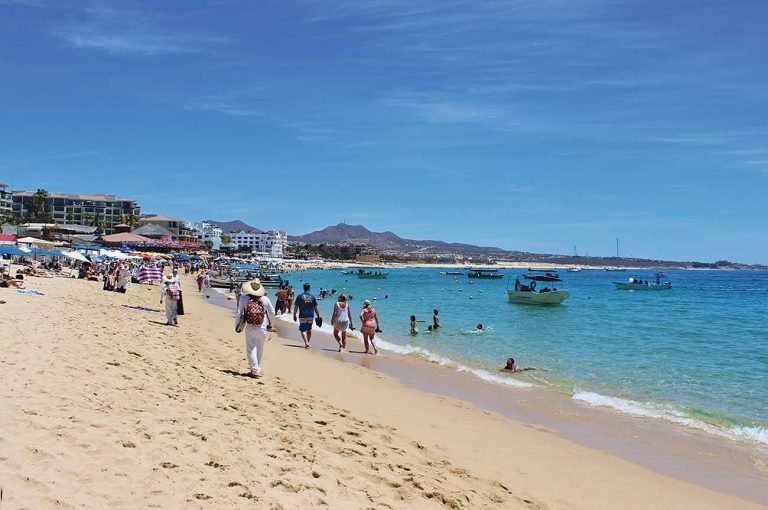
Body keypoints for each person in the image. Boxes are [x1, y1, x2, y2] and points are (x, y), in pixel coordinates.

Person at [236, 278, 277, 378]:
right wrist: (270, 325)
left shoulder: (244, 299)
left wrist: (237, 326)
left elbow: (239, 313)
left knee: (251, 348)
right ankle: (257, 368)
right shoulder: (265, 299)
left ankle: (254, 371)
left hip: (251, 326)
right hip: (262, 327)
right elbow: (272, 313)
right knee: (260, 348)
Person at [293, 283, 321, 349]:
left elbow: (296, 307)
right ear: (309, 288)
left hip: (302, 315)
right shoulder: (312, 296)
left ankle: (306, 343)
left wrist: (294, 315)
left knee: (303, 330)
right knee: (309, 330)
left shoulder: (299, 296)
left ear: (303, 288)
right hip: (311, 315)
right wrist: (318, 316)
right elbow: (315, 308)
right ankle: (308, 342)